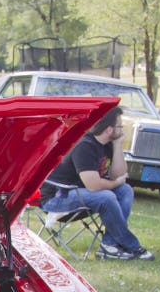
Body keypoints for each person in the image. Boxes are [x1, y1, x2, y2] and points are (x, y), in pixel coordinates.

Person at [40, 106, 154, 261]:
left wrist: (118, 145)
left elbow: (118, 174)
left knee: (125, 190)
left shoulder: (107, 144)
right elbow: (93, 185)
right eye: (120, 126)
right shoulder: (85, 146)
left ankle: (109, 245)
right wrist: (115, 182)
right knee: (106, 196)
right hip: (57, 198)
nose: (123, 130)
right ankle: (132, 245)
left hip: (81, 194)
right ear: (109, 129)